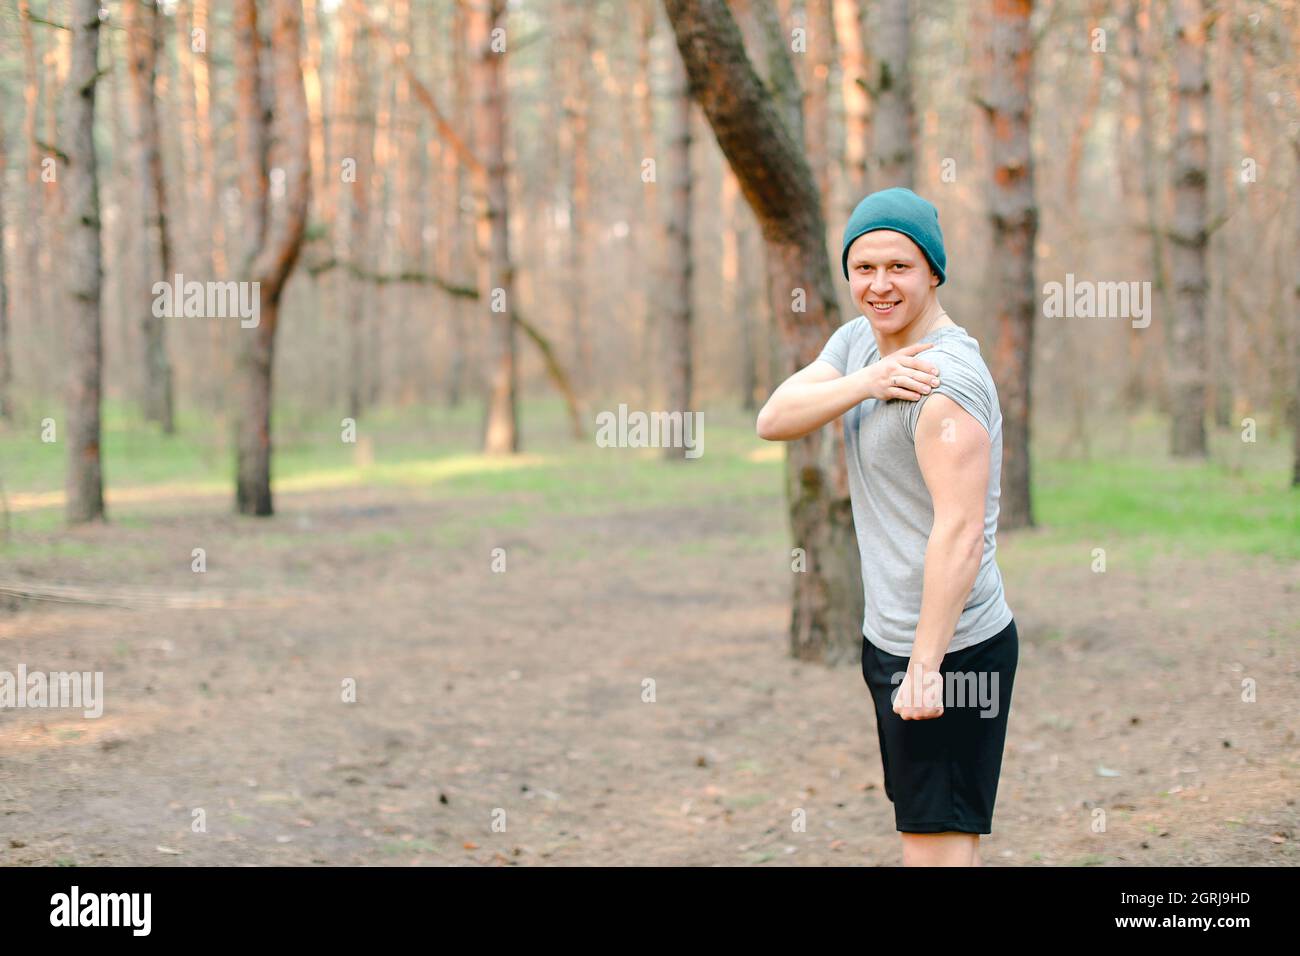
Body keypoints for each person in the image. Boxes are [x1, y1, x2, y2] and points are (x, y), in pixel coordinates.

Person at [756, 187, 1018, 867]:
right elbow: (774, 418)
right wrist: (867, 382)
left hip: (951, 649)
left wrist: (926, 667)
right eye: (863, 267)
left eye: (899, 267)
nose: (879, 284)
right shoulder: (861, 344)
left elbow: (961, 533)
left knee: (932, 847)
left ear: (934, 272)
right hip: (892, 638)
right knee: (938, 836)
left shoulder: (946, 385)